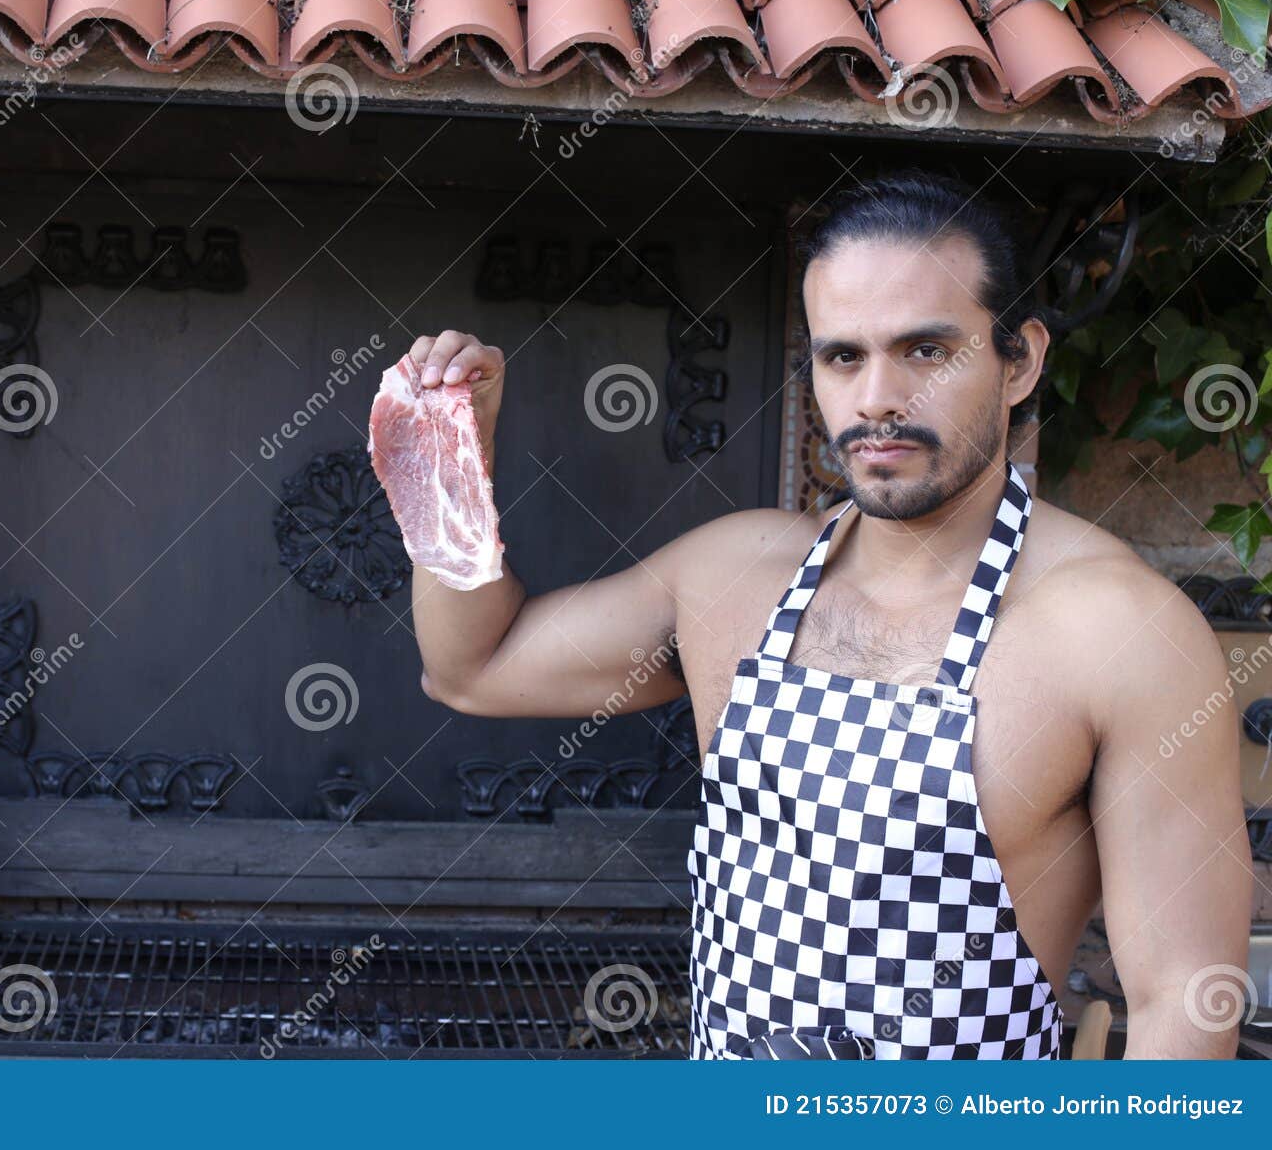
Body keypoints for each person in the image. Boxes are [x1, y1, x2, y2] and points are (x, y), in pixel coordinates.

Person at [397, 170, 1252, 1059]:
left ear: (1020, 361)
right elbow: (473, 667)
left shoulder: (1121, 632)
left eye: (927, 351)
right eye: (844, 356)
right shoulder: (733, 574)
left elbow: (1181, 999)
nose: (878, 397)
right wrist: (453, 457)